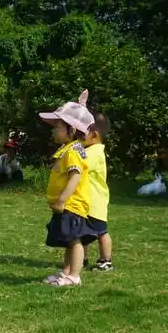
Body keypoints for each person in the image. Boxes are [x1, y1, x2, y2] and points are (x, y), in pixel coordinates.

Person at [39, 91, 97, 287]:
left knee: (75, 240)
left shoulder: (72, 151)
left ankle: (74, 275)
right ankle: (66, 272)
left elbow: (75, 176)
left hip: (71, 204)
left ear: (71, 130)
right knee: (68, 240)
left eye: (58, 127)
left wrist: (62, 200)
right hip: (67, 205)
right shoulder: (67, 149)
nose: (54, 130)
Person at [84, 113, 113, 272]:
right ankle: (82, 258)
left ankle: (106, 260)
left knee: (101, 232)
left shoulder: (94, 152)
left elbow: (82, 166)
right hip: (86, 201)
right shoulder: (91, 149)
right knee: (82, 233)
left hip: (95, 202)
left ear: (94, 135)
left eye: (83, 133)